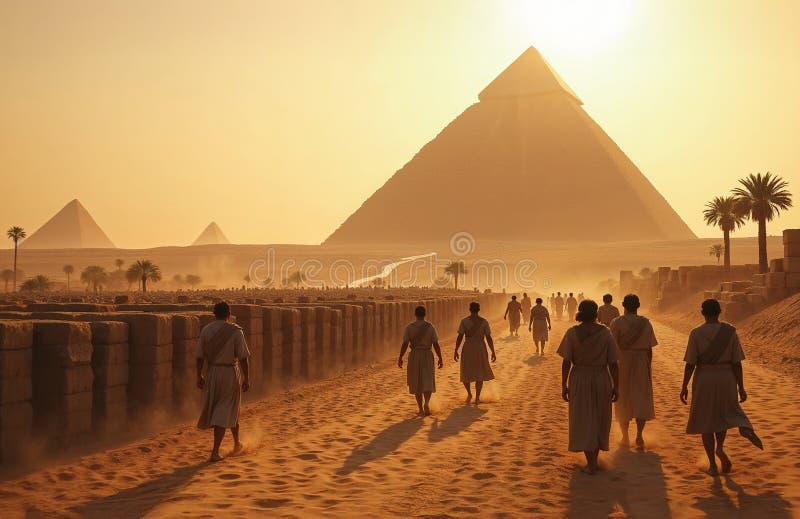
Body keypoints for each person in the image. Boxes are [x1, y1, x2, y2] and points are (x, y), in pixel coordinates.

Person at [680, 299, 763, 476]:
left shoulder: (696, 333)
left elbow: (690, 364)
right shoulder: (730, 332)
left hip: (704, 379)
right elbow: (737, 363)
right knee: (722, 415)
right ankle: (720, 448)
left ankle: (712, 464)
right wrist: (741, 386)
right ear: (719, 312)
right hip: (726, 378)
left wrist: (684, 386)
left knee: (706, 420)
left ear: (703, 313)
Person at [557, 299, 620, 475]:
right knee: (600, 416)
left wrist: (564, 384)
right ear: (596, 314)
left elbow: (566, 362)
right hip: (601, 377)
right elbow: (613, 363)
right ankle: (593, 460)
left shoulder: (572, 333)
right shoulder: (605, 333)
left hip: (579, 377)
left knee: (583, 417)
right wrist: (617, 386)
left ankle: (590, 463)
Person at [196, 301, 251, 462]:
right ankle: (214, 452)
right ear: (229, 314)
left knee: (231, 408)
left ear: (214, 314)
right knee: (224, 409)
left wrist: (199, 375)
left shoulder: (206, 330)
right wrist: (247, 377)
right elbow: (243, 357)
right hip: (229, 372)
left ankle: (236, 443)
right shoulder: (235, 331)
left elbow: (199, 356)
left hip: (212, 372)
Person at [609, 294, 657, 448]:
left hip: (622, 361)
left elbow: (612, 347)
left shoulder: (617, 322)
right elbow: (650, 348)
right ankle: (639, 435)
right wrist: (647, 365)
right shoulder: (646, 323)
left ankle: (625, 437)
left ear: (624, 305)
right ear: (638, 306)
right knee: (641, 396)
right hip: (641, 360)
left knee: (622, 396)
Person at [398, 305, 444, 416]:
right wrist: (440, 357)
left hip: (414, 355)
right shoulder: (430, 327)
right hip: (427, 354)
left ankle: (420, 408)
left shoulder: (409, 327)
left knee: (416, 381)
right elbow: (436, 344)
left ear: (415, 314)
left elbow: (405, 344)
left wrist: (400, 357)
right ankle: (427, 403)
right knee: (427, 380)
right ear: (425, 314)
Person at [455, 301, 496, 405]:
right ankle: (477, 397)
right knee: (479, 373)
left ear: (470, 309)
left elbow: (460, 337)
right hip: (480, 347)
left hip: (468, 347)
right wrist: (493, 351)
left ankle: (469, 393)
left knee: (466, 371)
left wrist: (456, 349)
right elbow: (488, 337)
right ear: (479, 309)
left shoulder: (464, 321)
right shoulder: (484, 322)